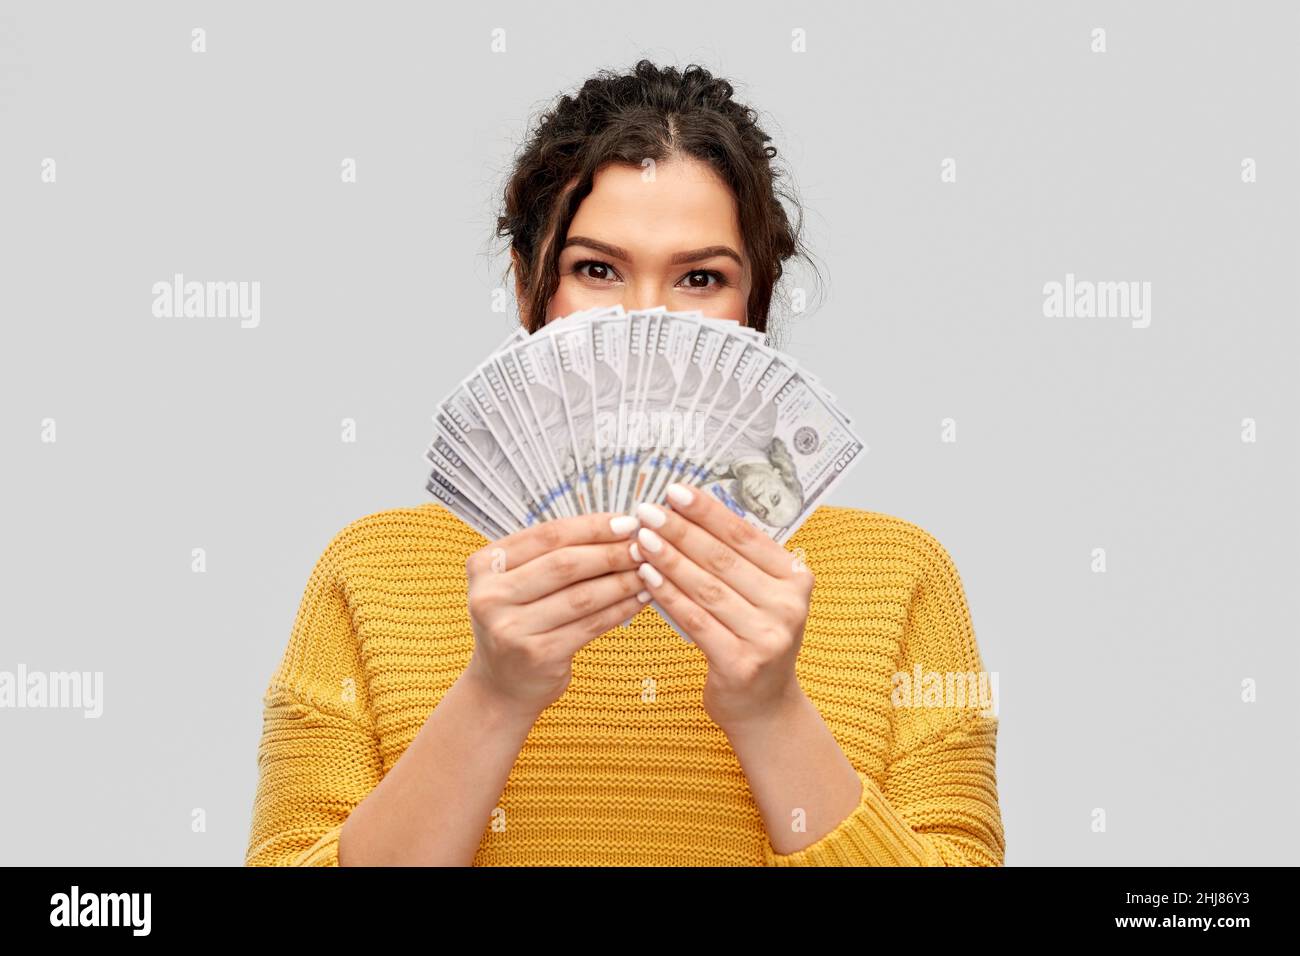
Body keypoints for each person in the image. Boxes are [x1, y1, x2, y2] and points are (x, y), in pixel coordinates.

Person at [244, 60, 1005, 866]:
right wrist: (493, 695)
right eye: (596, 270)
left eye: (701, 278)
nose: (646, 321)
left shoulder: (898, 578)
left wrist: (771, 710)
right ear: (528, 285)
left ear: (756, 308)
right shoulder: (375, 576)